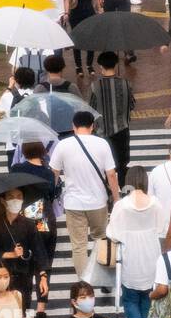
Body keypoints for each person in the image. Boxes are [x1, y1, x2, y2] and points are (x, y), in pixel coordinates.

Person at [50, 110, 119, 277]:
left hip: (73, 203)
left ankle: (84, 282)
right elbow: (111, 174)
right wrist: (116, 198)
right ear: (92, 126)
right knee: (101, 239)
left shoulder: (63, 145)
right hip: (98, 202)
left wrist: (52, 195)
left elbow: (54, 172)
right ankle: (103, 278)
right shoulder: (102, 144)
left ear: (73, 126)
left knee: (79, 245)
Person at [107, 166, 168, 318]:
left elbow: (112, 234)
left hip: (130, 260)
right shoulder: (155, 203)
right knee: (148, 299)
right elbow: (163, 228)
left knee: (130, 299)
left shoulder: (121, 205)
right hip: (151, 258)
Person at [67, 0, 95, 76]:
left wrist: (99, 8)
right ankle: (78, 66)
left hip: (90, 12)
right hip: (76, 14)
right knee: (77, 40)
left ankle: (89, 64)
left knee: (91, 39)